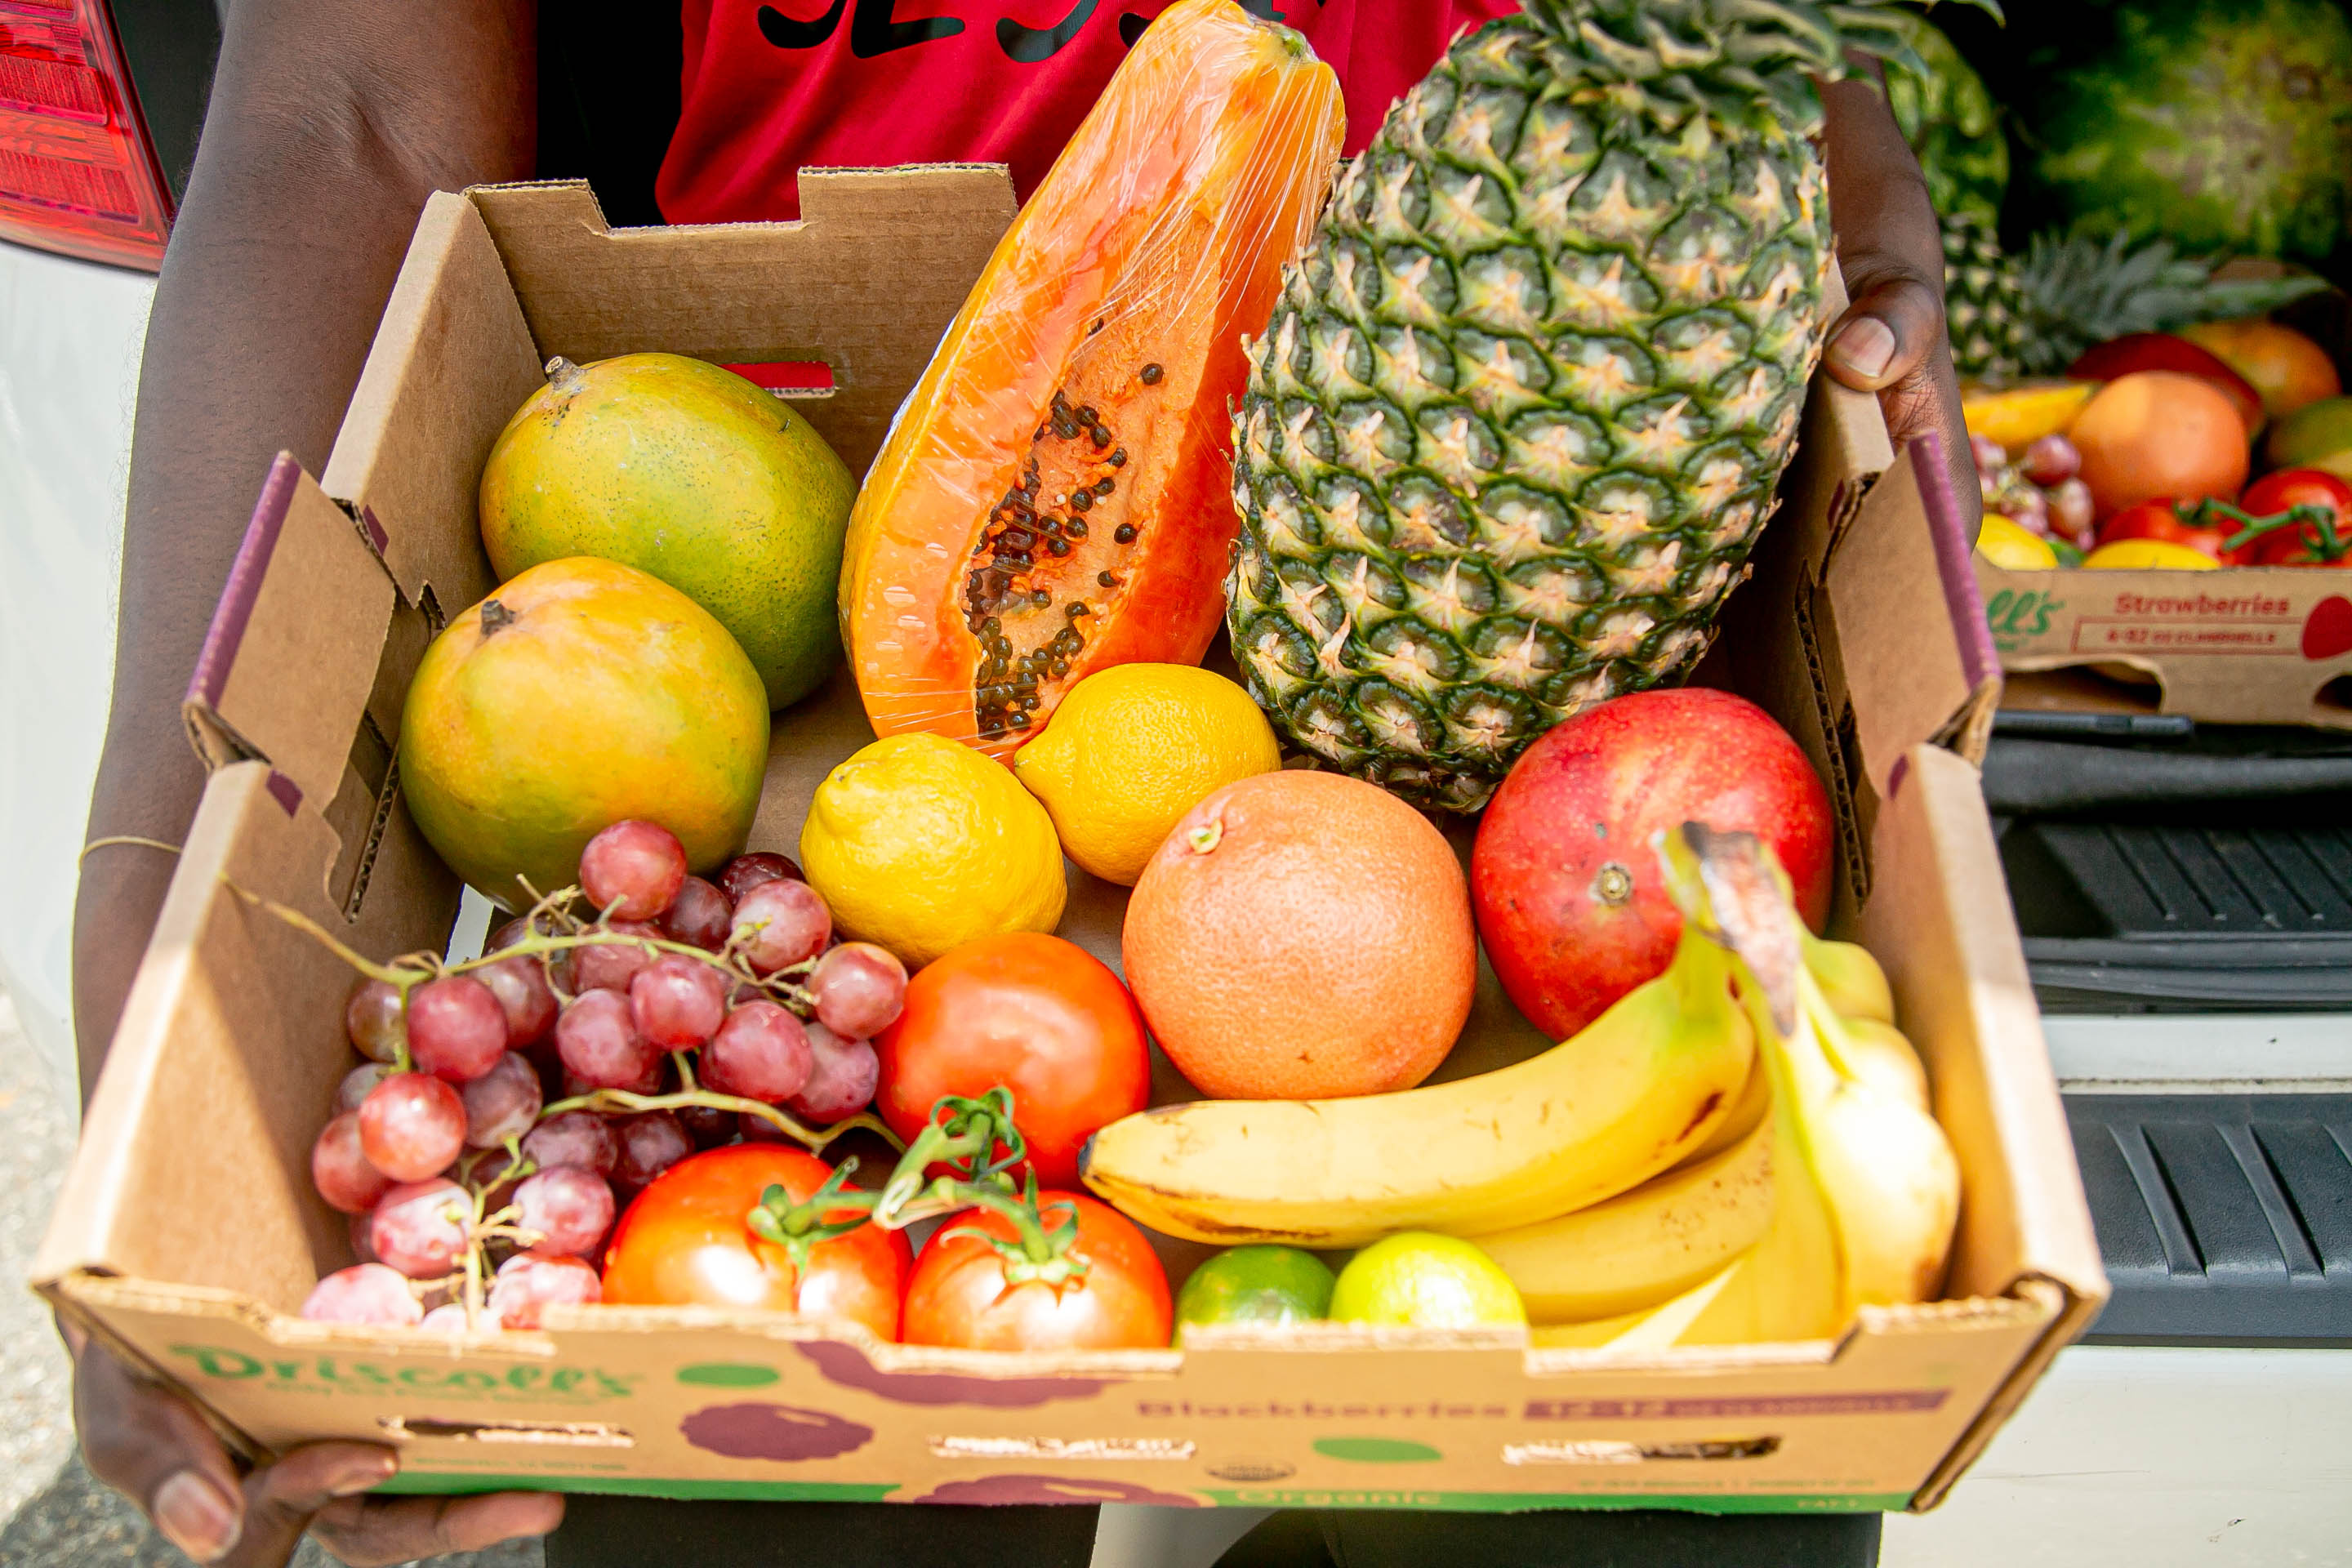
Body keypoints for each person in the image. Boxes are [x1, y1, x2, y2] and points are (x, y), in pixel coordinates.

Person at [65, 2, 1966, 1564]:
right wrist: (157, 904)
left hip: (1567, 628)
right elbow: (351, 111)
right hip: (869, 507)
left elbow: (1813, 66)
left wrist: (1844, 180)